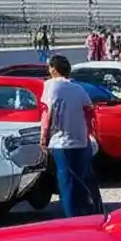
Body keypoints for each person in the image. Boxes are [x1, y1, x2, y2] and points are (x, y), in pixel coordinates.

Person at [39, 55, 102, 218]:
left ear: (53, 69)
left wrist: (43, 139)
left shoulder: (50, 86)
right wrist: (89, 135)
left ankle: (72, 219)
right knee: (82, 182)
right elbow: (90, 113)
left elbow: (47, 113)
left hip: (62, 142)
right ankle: (90, 215)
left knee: (67, 185)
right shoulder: (78, 89)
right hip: (81, 142)